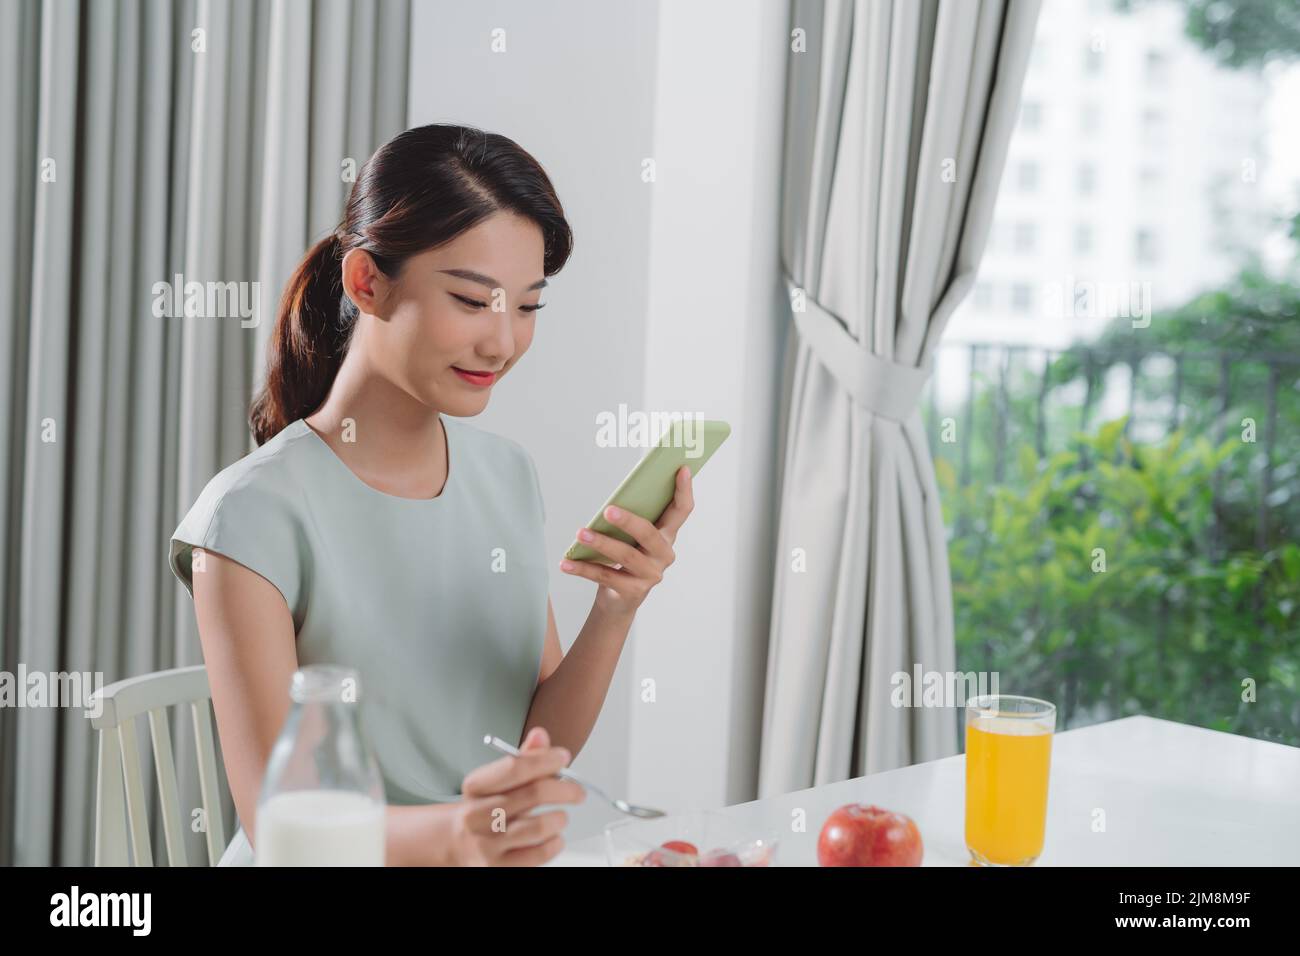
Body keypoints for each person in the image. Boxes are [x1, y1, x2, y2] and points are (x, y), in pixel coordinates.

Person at [168, 124, 695, 865]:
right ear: (367, 283)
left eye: (528, 306)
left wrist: (614, 609)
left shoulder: (507, 476)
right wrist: (459, 836)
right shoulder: (249, 516)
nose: (502, 342)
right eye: (473, 301)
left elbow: (538, 747)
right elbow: (281, 830)